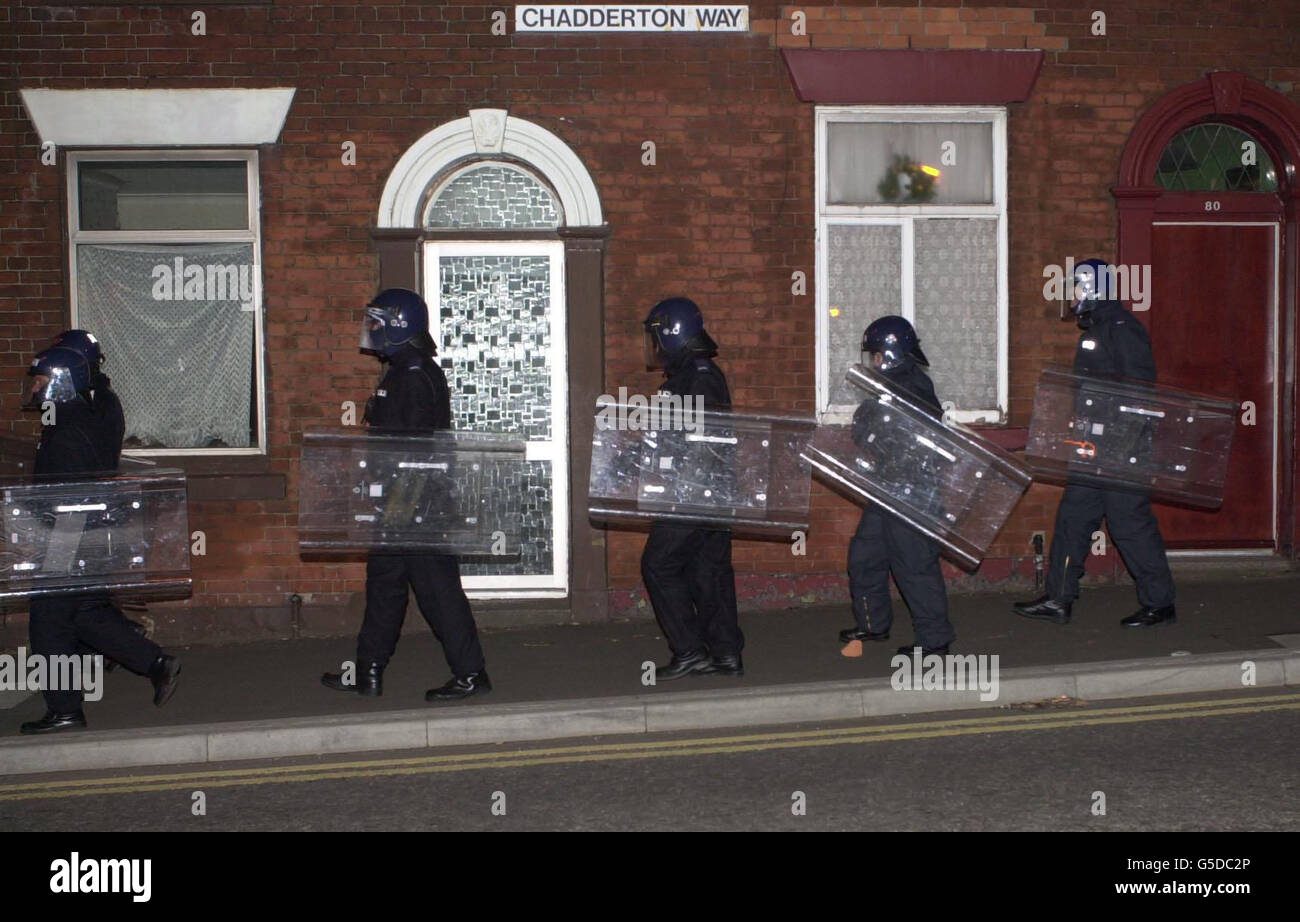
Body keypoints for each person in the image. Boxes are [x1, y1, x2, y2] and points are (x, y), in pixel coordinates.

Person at [321, 288, 490, 701]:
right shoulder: (400, 370)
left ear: (399, 325)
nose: (371, 330)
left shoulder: (415, 376)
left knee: (438, 592)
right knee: (384, 588)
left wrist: (397, 505)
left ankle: (471, 675)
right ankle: (368, 672)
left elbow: (414, 452)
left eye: (377, 323)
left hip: (417, 505)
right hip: (398, 506)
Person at [18, 339, 180, 735]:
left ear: (64, 380)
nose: (36, 389)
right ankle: (152, 661)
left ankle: (65, 709)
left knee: (49, 621)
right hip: (89, 526)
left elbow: (58, 491)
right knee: (85, 608)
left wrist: (34, 525)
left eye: (41, 381)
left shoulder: (69, 426)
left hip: (67, 531)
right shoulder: (99, 403)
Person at [1014, 258, 1177, 628]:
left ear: (1092, 288)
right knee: (1073, 520)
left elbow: (1139, 394)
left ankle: (1160, 603)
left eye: (1075, 287)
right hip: (1091, 449)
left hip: (1121, 451)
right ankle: (1058, 599)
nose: (1070, 295)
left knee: (1129, 525)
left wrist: (1121, 443)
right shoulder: (1096, 329)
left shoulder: (1121, 329)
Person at [640, 297, 744, 680]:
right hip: (710, 493)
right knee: (708, 571)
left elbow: (704, 440)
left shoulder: (698, 376)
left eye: (655, 336)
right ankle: (726, 652)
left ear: (671, 332)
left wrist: (682, 491)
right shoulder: (695, 373)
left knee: (659, 564)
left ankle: (689, 651)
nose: (652, 346)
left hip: (694, 493)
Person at [840, 316, 956, 656]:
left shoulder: (912, 386)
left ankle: (935, 640)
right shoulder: (890, 386)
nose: (872, 361)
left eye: (875, 355)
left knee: (914, 563)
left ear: (889, 353)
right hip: (888, 485)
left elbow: (913, 437)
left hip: (912, 490)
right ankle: (872, 623)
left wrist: (876, 432)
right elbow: (865, 426)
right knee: (866, 555)